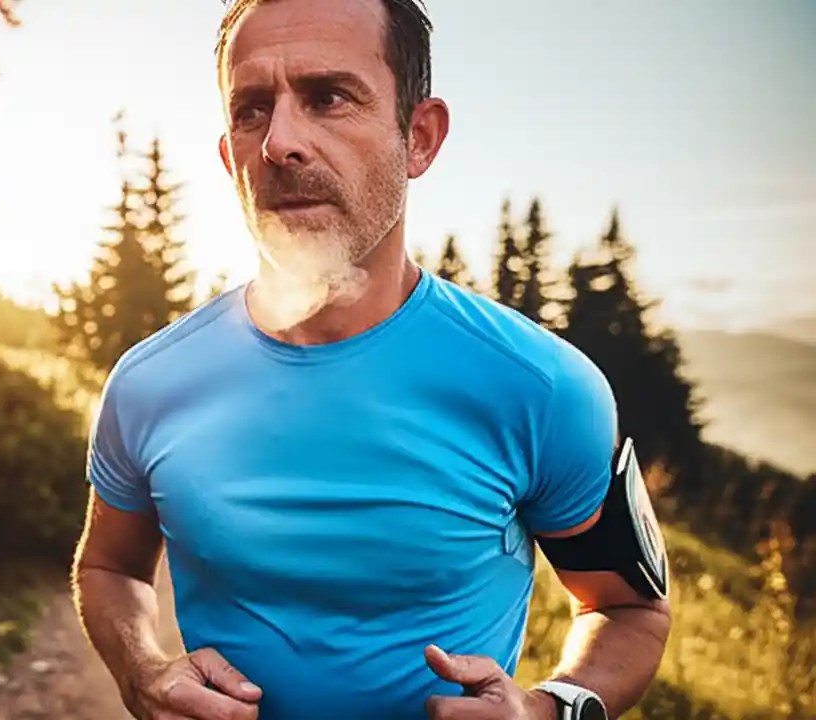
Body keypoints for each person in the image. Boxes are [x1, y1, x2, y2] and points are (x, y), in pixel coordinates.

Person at [71, 0, 673, 718]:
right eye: (252, 110)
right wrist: (141, 670)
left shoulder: (542, 387)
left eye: (328, 97)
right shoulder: (149, 382)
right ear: (230, 155)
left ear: (419, 137)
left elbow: (628, 609)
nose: (279, 143)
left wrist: (547, 710)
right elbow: (109, 566)